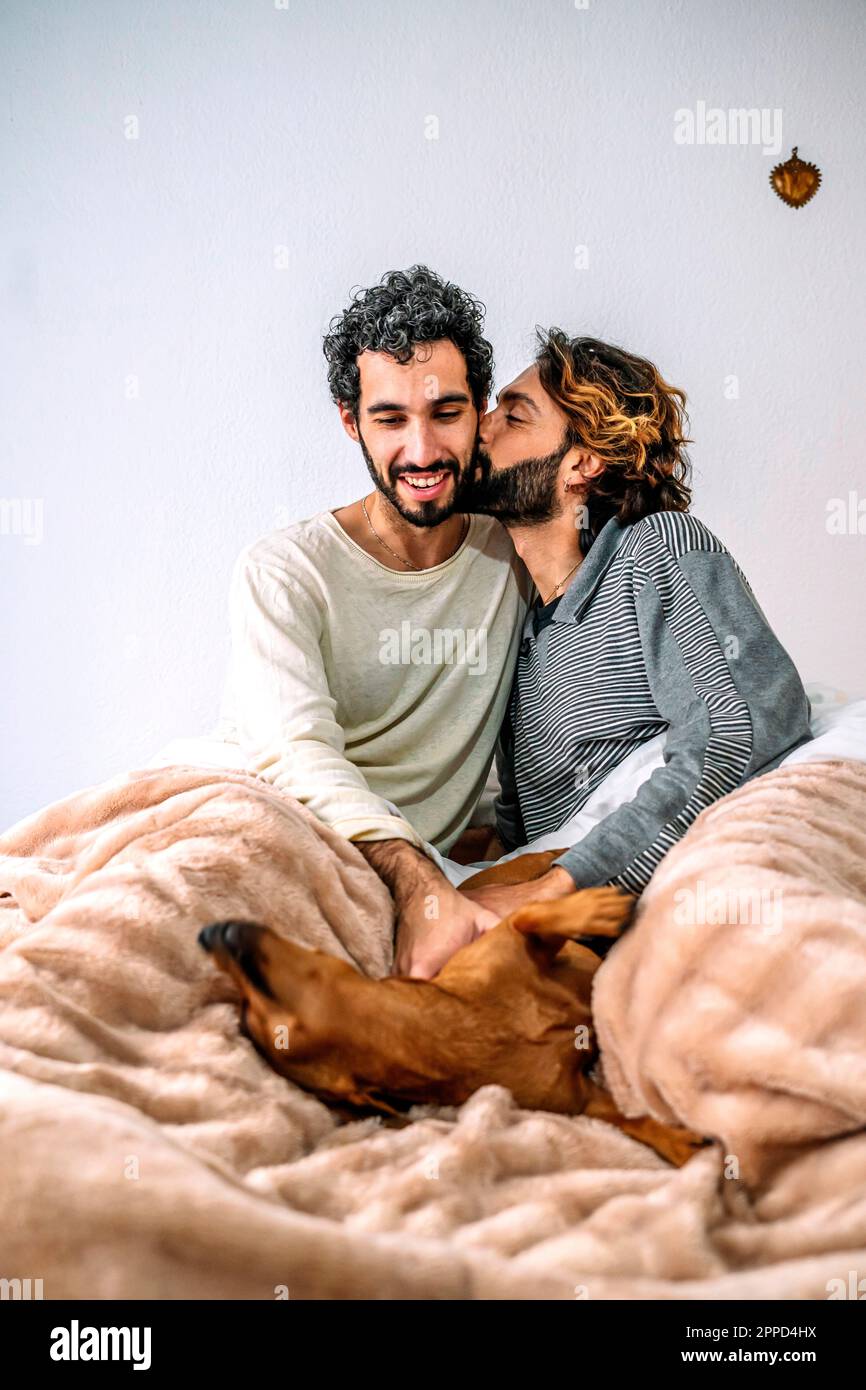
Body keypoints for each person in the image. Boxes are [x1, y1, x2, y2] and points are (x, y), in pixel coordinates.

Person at [214, 266, 531, 979]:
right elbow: (294, 755)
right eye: (391, 420)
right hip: (260, 819)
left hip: (375, 876)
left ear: (480, 410)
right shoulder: (285, 571)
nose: (421, 452)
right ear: (350, 420)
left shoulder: (517, 555)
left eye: (446, 413)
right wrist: (419, 880)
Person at [454, 330, 813, 925]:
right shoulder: (517, 625)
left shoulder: (657, 549)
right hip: (558, 907)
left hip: (644, 900)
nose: (481, 428)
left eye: (513, 417)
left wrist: (555, 890)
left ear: (583, 463)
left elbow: (740, 727)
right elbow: (520, 826)